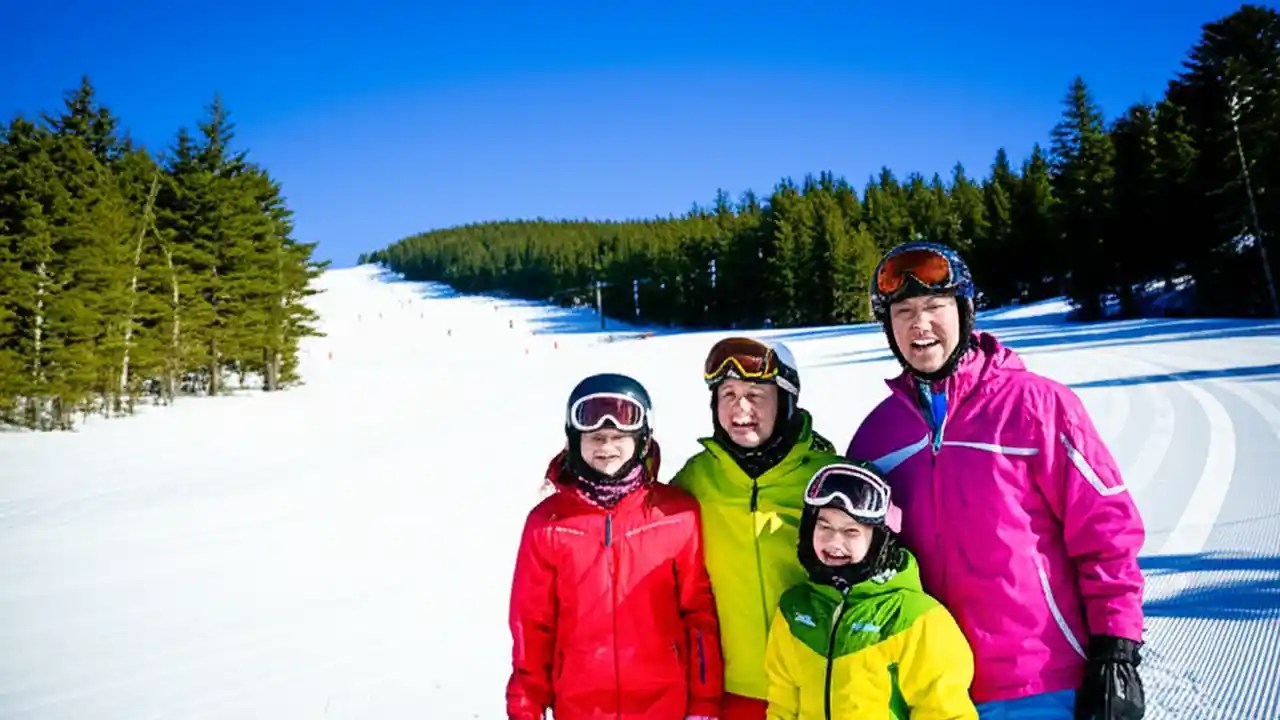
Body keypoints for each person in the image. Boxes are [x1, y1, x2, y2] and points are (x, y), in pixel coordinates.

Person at [845, 241, 1146, 720]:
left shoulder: (1038, 406)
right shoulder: (875, 437)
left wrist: (1117, 647)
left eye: (934, 307)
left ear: (965, 312)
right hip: (927, 689)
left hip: (1039, 682)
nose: (919, 324)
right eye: (902, 311)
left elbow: (1106, 532)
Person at [506, 373, 723, 720]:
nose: (606, 446)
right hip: (581, 708)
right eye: (595, 437)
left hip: (664, 706)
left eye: (619, 436)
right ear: (574, 441)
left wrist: (705, 705)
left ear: (642, 440)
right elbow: (531, 628)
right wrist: (524, 708)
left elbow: (698, 617)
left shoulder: (676, 514)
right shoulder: (548, 524)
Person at [673, 337, 848, 720]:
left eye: (756, 393)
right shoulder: (694, 482)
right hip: (731, 693)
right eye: (728, 394)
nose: (741, 408)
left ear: (786, 401)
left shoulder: (826, 479)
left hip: (816, 688)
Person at [764, 460, 978, 720]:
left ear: (878, 539)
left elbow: (945, 712)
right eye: (825, 526)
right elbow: (782, 705)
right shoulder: (795, 610)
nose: (834, 541)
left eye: (851, 531)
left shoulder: (916, 619)